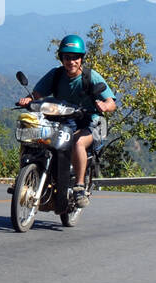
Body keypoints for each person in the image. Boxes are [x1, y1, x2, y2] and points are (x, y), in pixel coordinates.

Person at [17, 34, 117, 207]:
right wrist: (28, 99)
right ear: (62, 58)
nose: (71, 62)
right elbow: (38, 94)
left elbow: (111, 102)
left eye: (76, 58)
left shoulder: (91, 77)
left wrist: (104, 106)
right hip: (62, 120)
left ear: (81, 59)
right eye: (67, 57)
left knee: (77, 142)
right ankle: (25, 177)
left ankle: (79, 187)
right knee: (34, 136)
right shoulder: (56, 75)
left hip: (90, 123)